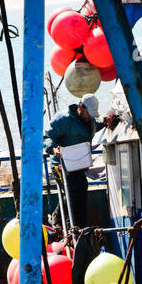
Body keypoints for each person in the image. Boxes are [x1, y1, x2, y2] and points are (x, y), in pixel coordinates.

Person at [44, 94, 98, 228]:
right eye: (88, 113)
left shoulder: (89, 120)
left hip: (78, 165)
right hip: (61, 164)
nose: (90, 117)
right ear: (81, 107)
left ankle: (74, 225)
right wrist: (52, 149)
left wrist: (106, 121)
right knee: (73, 192)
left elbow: (95, 126)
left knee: (81, 189)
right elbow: (47, 136)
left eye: (92, 115)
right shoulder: (63, 119)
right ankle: (70, 226)